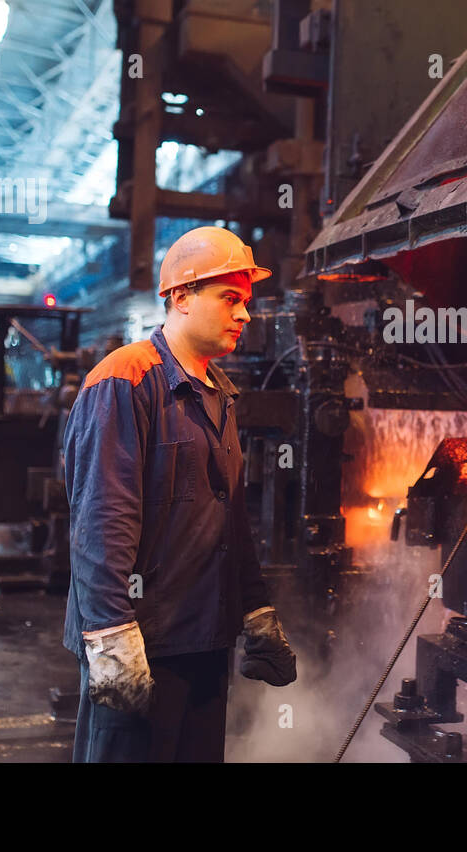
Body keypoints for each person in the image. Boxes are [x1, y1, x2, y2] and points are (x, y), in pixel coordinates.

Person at [63, 225, 297, 762]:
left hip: (203, 641)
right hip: (140, 647)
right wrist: (109, 637)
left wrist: (255, 608)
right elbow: (101, 523)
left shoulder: (219, 396)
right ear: (182, 297)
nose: (245, 315)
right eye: (230, 298)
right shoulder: (125, 380)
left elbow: (230, 522)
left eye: (246, 302)